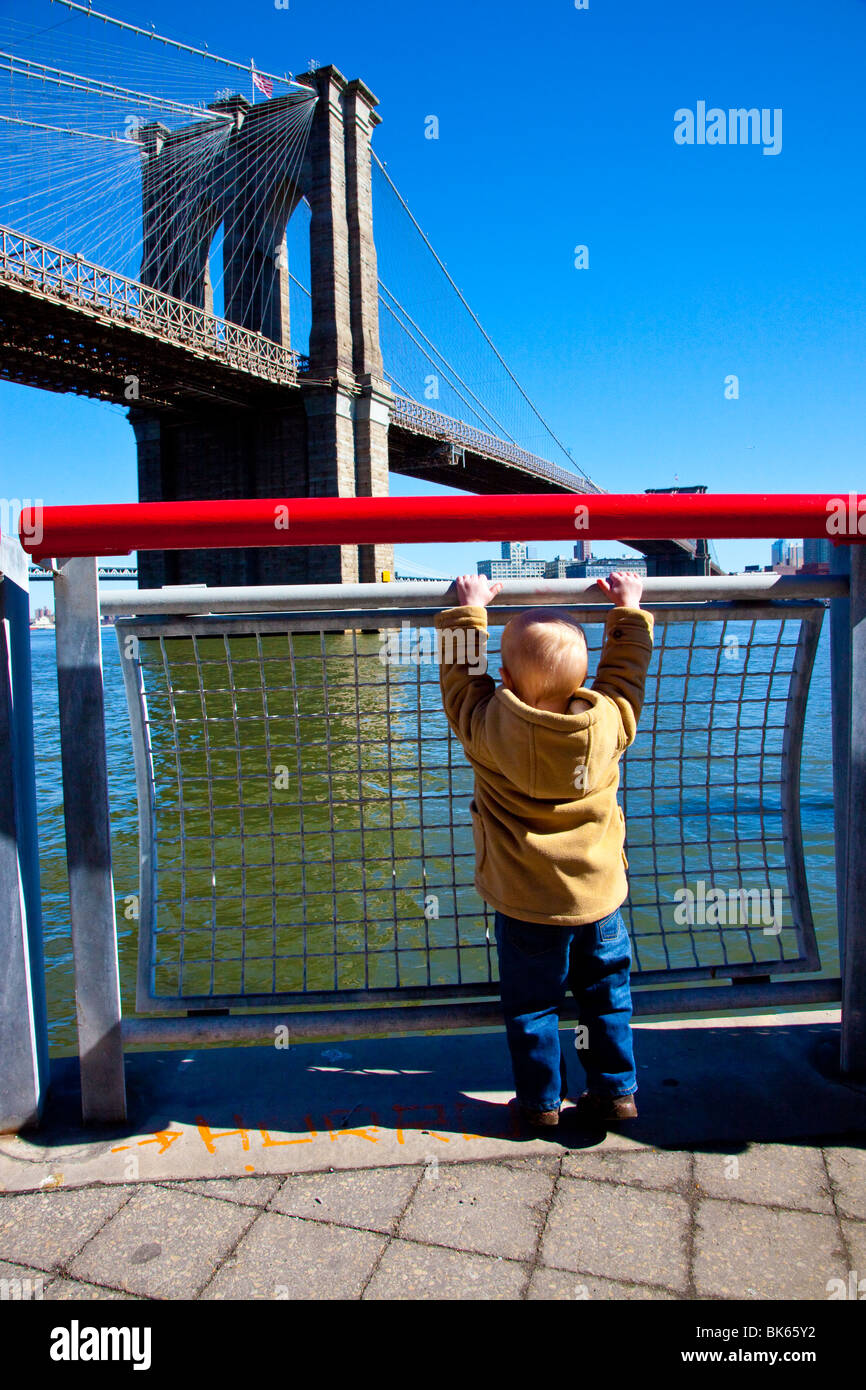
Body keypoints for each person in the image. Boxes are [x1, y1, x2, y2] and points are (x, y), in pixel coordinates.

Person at [434, 570, 654, 1131]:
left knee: (532, 1008)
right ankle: (615, 1090)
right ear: (586, 678)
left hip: (526, 904)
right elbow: (626, 678)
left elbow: (460, 681)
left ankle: (540, 1105)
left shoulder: (486, 726)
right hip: (600, 898)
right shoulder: (608, 723)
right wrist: (626, 613)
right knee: (606, 997)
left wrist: (470, 611)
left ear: (503, 675)